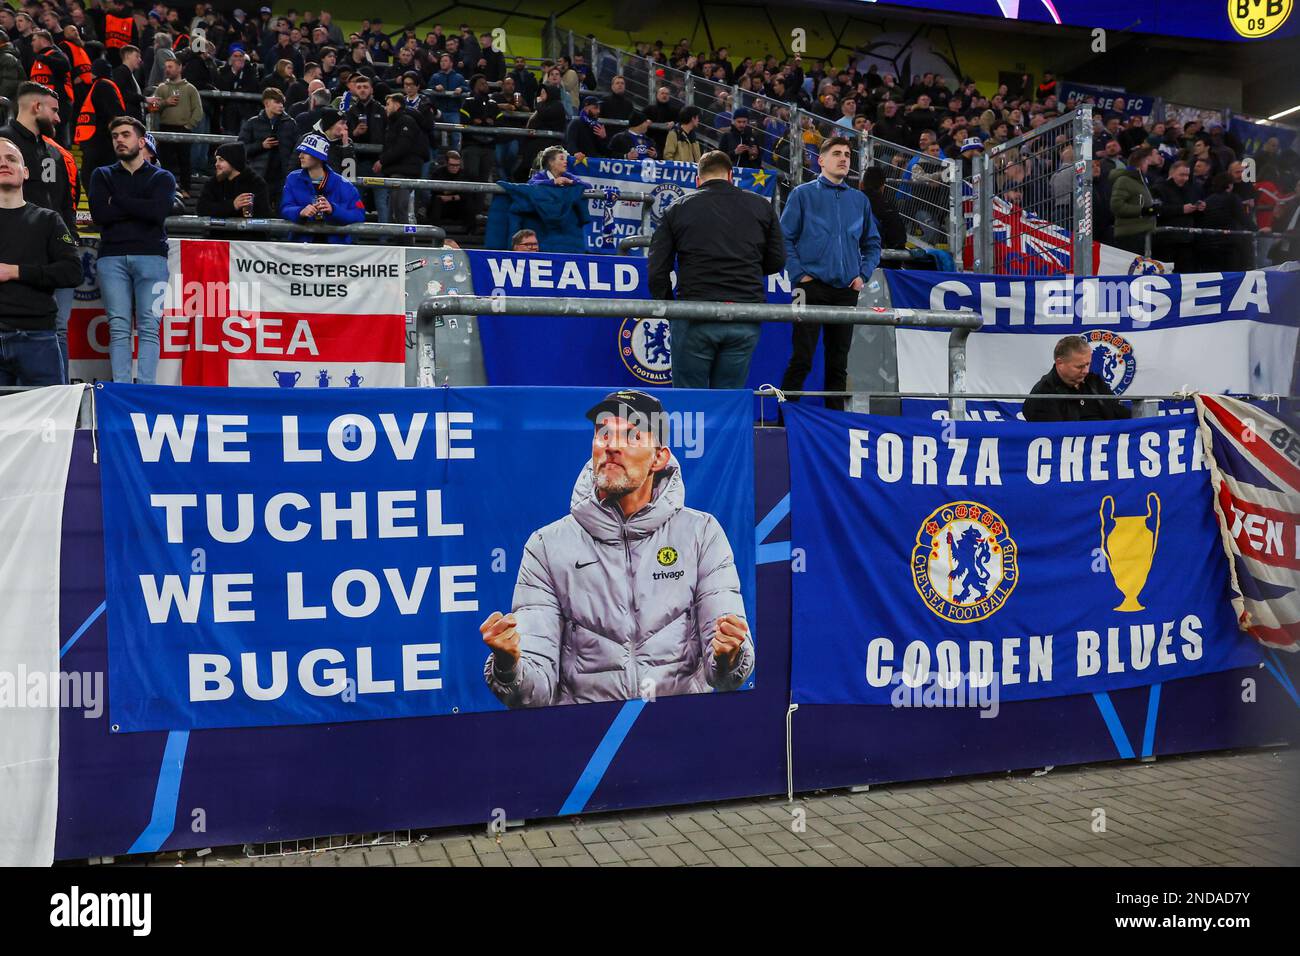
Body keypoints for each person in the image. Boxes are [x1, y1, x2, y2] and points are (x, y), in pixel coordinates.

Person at [480, 389, 755, 708]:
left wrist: (729, 656)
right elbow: (532, 694)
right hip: (585, 743)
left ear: (659, 458)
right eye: (604, 433)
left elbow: (724, 678)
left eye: (632, 436)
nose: (611, 445)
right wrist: (508, 665)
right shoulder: (546, 546)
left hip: (681, 734)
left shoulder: (701, 533)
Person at [648, 149, 784, 389]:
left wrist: (670, 306)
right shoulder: (761, 207)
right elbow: (778, 261)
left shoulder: (678, 208)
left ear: (697, 179)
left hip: (695, 314)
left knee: (691, 403)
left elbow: (657, 270)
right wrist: (745, 272)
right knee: (728, 400)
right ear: (731, 176)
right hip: (745, 314)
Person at [778, 136, 882, 413]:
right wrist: (800, 274)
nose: (844, 158)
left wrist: (863, 275)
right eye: (836, 153)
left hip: (846, 290)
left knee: (839, 361)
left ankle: (834, 422)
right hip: (810, 288)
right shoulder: (802, 194)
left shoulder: (859, 200)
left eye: (847, 154)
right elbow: (783, 238)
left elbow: (872, 243)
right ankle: (785, 420)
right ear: (821, 160)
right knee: (802, 357)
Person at [86, 116, 175, 385]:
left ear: (141, 140)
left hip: (151, 257)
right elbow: (100, 213)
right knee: (118, 327)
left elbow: (158, 213)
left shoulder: (163, 177)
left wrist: (120, 202)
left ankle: (145, 389)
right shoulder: (101, 174)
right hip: (112, 257)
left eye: (125, 134)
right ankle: (122, 389)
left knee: (150, 327)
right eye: (115, 136)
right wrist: (140, 206)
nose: (119, 140)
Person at [0, 82, 79, 378]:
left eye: (11, 160)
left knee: (57, 327)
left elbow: (62, 200)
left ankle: (62, 396)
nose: (59, 118)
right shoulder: (4, 140)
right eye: (54, 110)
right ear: (36, 107)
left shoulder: (52, 150)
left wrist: (65, 236)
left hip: (47, 252)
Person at [279, 130, 365, 243]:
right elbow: (285, 208)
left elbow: (359, 214)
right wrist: (300, 211)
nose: (300, 156)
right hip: (302, 248)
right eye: (300, 152)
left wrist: (333, 210)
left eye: (306, 152)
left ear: (318, 157)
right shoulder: (292, 179)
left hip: (334, 251)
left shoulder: (344, 184)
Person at [1023, 335, 1131, 422]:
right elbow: (1053, 439)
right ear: (1060, 363)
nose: (1086, 371)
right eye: (1079, 366)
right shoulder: (1042, 394)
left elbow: (1120, 413)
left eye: (1088, 364)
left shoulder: (1094, 381)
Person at [373, 92, 426, 228]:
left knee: (400, 212)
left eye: (388, 104)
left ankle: (406, 245)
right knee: (395, 212)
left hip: (405, 172)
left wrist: (382, 161)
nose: (386, 108)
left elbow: (402, 147)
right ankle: (398, 245)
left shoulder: (405, 120)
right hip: (398, 171)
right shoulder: (394, 122)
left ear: (397, 105)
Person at [153, 55, 203, 196]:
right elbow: (152, 107)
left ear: (179, 68)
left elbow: (198, 110)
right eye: (166, 67)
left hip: (183, 129)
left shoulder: (190, 89)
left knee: (184, 161)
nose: (167, 69)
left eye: (170, 66)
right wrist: (165, 102)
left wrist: (189, 126)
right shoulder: (161, 88)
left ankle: (186, 189)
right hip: (165, 128)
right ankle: (166, 188)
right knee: (165, 162)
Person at [238, 86, 297, 204]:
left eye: (282, 103)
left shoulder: (290, 123)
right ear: (266, 103)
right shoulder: (252, 123)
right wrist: (261, 146)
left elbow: (296, 150)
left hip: (283, 178)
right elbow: (240, 149)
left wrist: (290, 171)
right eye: (277, 102)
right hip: (259, 176)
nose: (281, 106)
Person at [74, 60, 125, 174]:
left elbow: (115, 114)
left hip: (100, 142)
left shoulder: (103, 85)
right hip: (97, 142)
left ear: (95, 72)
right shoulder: (102, 86)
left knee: (93, 176)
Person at [197, 142, 270, 219]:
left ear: (233, 161)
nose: (216, 164)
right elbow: (201, 209)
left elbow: (263, 214)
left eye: (221, 160)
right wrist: (232, 205)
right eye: (216, 160)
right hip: (219, 230)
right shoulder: (213, 182)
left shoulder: (256, 182)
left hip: (247, 231)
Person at [424, 149, 475, 232]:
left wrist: (451, 196)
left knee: (468, 201)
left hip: (458, 206)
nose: (455, 168)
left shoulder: (464, 174)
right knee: (436, 200)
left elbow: (467, 193)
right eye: (452, 165)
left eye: (457, 165)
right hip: (443, 206)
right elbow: (436, 191)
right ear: (446, 163)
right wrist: (457, 193)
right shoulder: (438, 173)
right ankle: (434, 232)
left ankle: (471, 232)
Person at [564, 94, 607, 163]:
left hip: (593, 162)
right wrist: (575, 153)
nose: (598, 111)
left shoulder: (597, 126)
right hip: (579, 161)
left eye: (599, 108)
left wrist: (603, 138)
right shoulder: (576, 123)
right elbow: (570, 143)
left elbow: (603, 151)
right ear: (586, 108)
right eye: (595, 108)